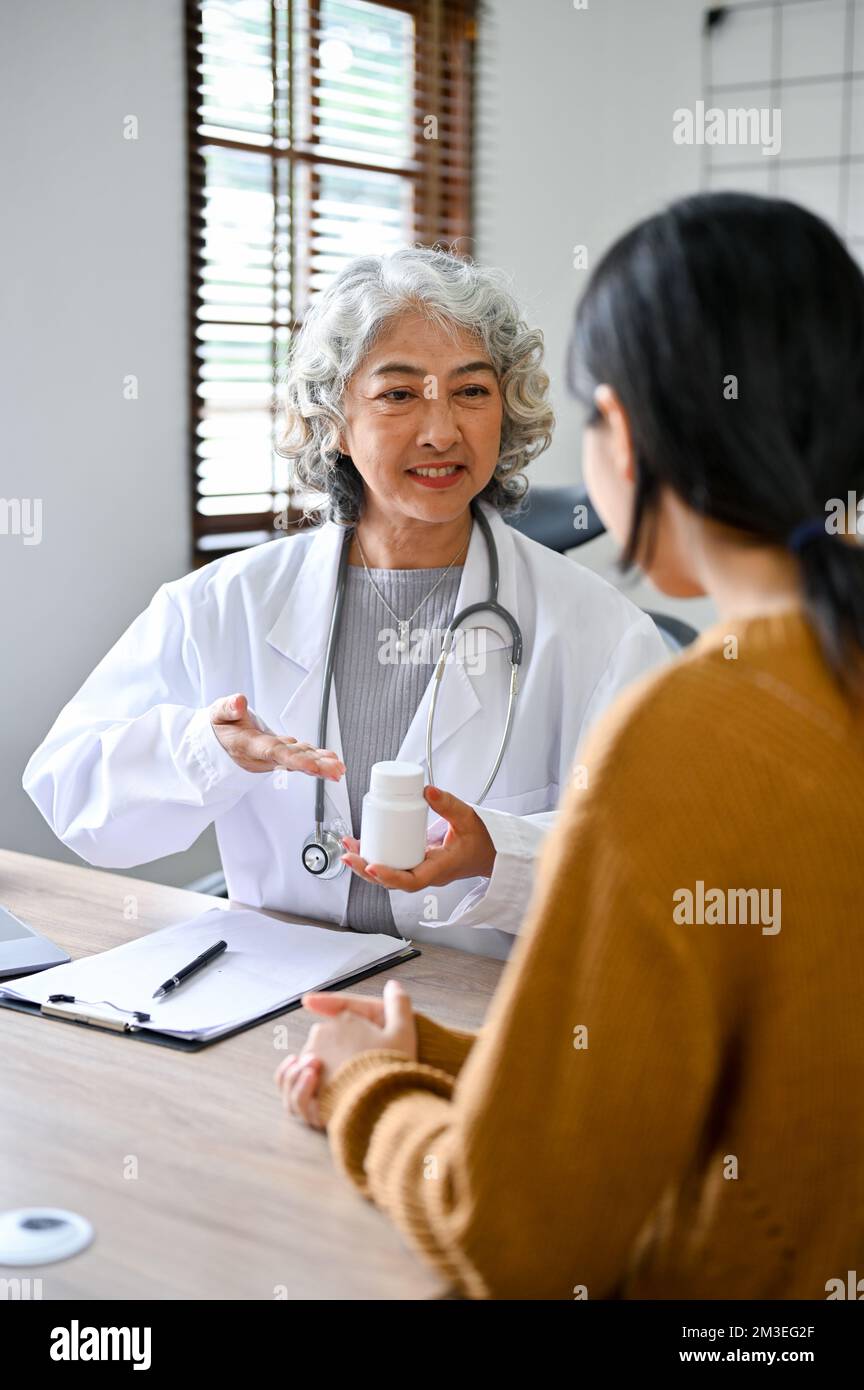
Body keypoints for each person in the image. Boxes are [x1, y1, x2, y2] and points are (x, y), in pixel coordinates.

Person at [278, 193, 864, 1298]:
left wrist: (371, 1091)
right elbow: (750, 1063)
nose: (439, 427)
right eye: (397, 395)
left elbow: (514, 1236)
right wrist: (447, 1061)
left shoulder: (693, 729)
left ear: (622, 437)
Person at [22, 247, 666, 959]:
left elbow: (660, 860)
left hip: (478, 1021)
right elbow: (69, 791)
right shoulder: (223, 604)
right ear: (332, 418)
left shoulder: (597, 630)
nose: (441, 431)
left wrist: (503, 853)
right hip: (274, 1007)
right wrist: (208, 751)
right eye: (398, 394)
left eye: (471, 392)